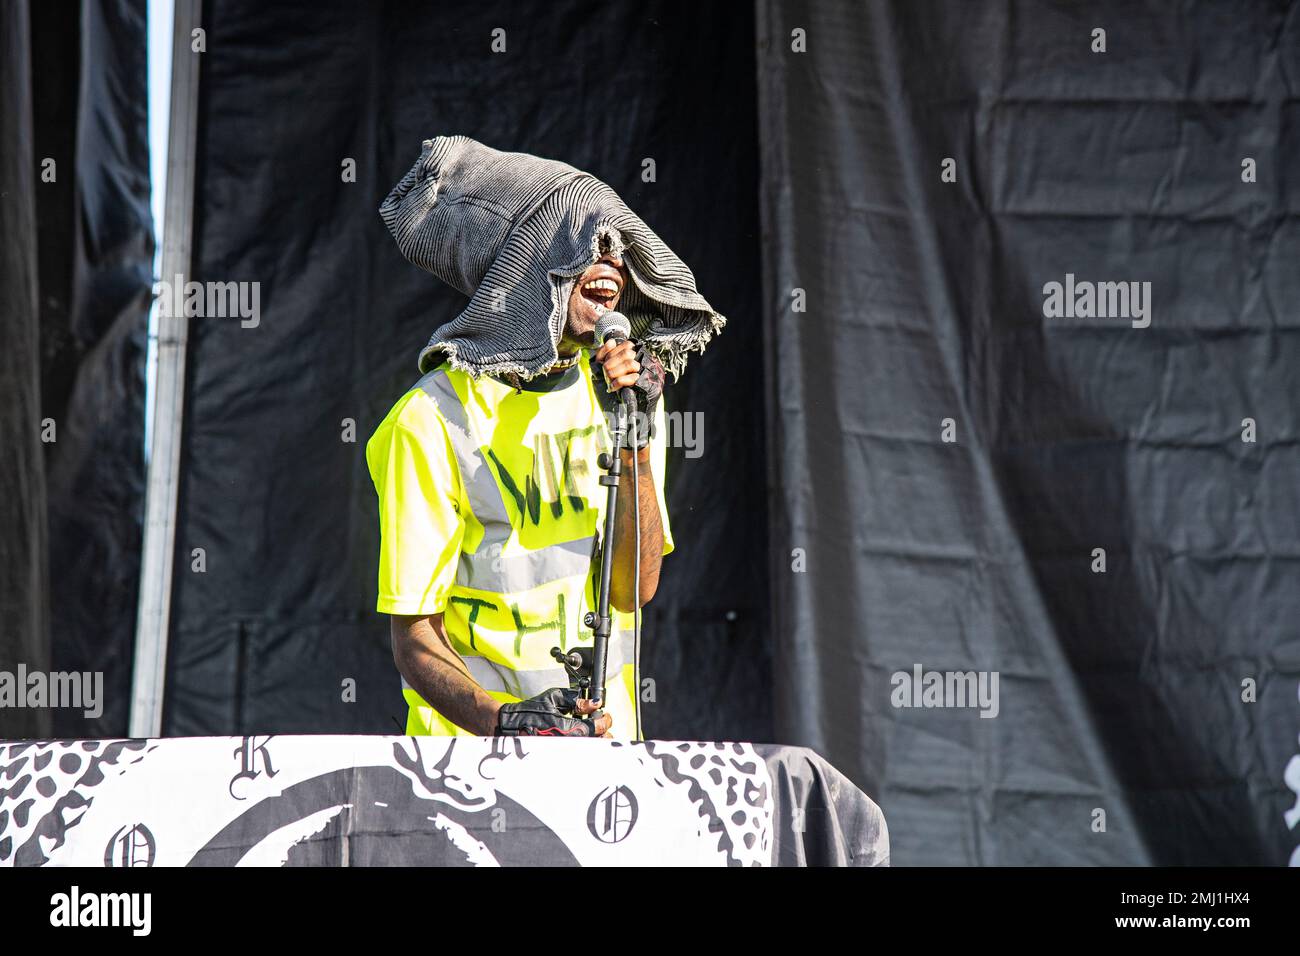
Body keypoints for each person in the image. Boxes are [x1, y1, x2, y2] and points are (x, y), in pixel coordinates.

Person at [367, 135, 724, 738]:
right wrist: (507, 723)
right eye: (587, 244)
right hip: (470, 765)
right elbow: (414, 638)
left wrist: (633, 439)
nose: (610, 261)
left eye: (618, 249)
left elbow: (632, 590)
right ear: (529, 267)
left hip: (600, 758)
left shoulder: (625, 398)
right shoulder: (428, 420)